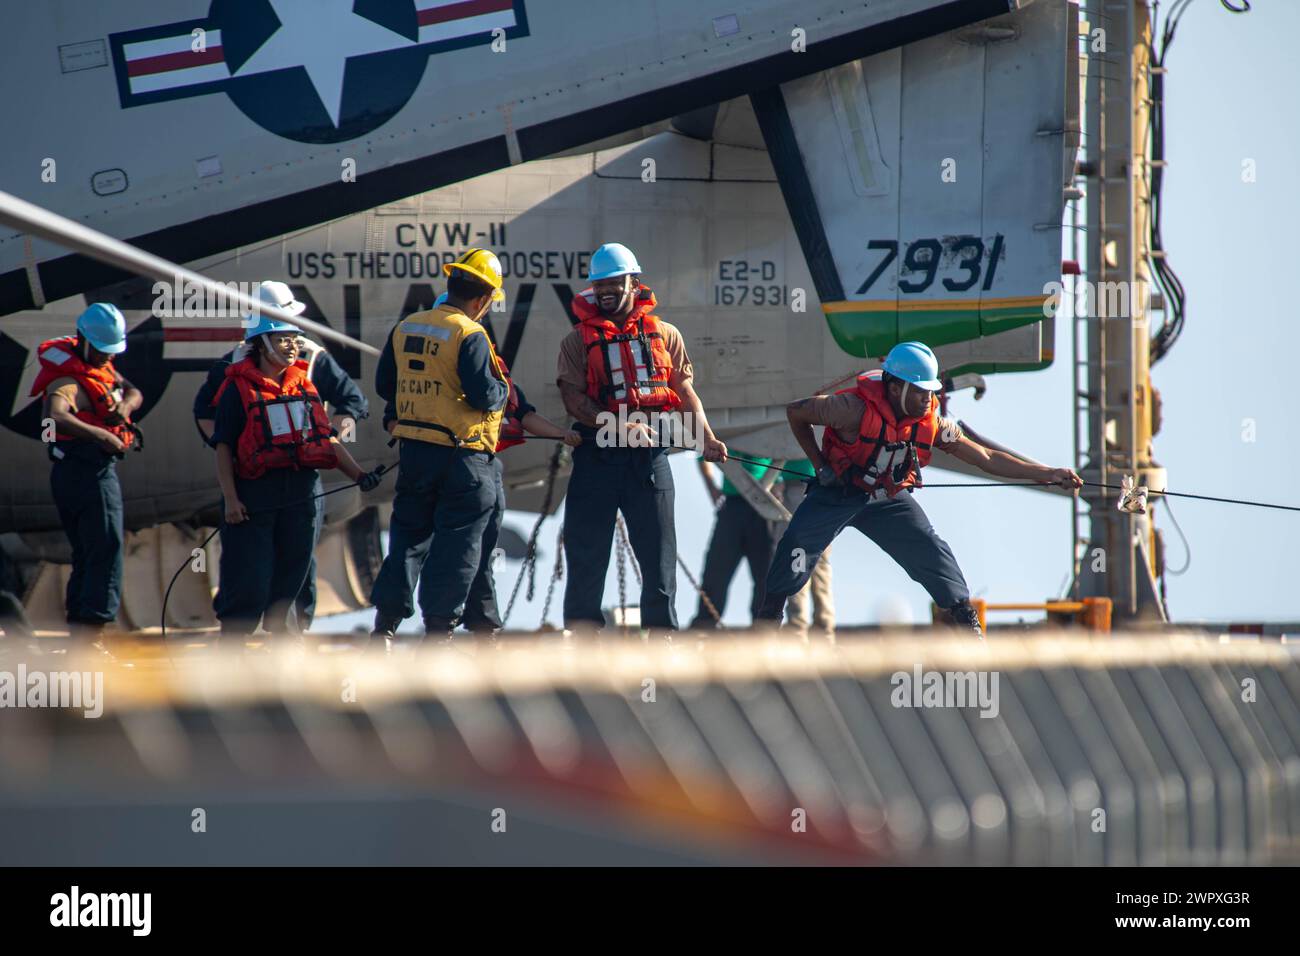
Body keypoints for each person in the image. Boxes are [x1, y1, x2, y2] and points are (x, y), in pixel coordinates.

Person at [756, 341, 1082, 637]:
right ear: (895, 387)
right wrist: (820, 465)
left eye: (930, 391)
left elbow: (985, 457)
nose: (928, 398)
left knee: (931, 549)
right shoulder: (850, 409)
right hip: (838, 492)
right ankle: (769, 619)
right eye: (920, 391)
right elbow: (796, 412)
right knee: (797, 545)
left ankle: (965, 621)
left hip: (885, 499)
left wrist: (1047, 473)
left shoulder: (934, 424)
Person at [556, 242, 727, 631]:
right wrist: (617, 426)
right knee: (587, 556)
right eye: (599, 284)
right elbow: (573, 400)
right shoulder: (576, 340)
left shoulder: (666, 335)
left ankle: (662, 639)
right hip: (596, 460)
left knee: (659, 557)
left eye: (614, 282)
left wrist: (707, 440)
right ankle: (583, 640)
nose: (604, 291)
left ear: (634, 282)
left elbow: (684, 392)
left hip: (648, 460)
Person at [195, 280, 369, 629]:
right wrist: (233, 483)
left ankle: (291, 640)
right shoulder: (233, 378)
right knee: (248, 574)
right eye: (284, 335)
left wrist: (341, 445)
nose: (293, 343)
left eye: (293, 334)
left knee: (297, 570)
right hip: (255, 491)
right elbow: (212, 424)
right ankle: (236, 643)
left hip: (303, 491)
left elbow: (352, 406)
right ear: (263, 340)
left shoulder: (310, 370)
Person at [413, 294, 581, 635]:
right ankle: (441, 625)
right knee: (454, 552)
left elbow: (522, 412)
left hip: (483, 470)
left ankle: (482, 627)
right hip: (453, 468)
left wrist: (563, 435)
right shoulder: (435, 377)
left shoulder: (488, 367)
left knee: (482, 551)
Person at [369, 249, 510, 642]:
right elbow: (484, 395)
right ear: (482, 299)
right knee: (458, 547)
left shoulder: (407, 326)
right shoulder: (470, 334)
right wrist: (502, 391)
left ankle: (384, 629)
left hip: (415, 453)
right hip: (463, 457)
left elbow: (385, 386)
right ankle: (438, 634)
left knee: (407, 541)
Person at [30, 303, 142, 637]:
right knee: (105, 550)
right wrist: (102, 435)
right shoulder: (68, 380)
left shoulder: (102, 367)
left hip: (79, 473)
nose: (108, 357)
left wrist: (122, 407)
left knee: (89, 553)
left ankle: (81, 635)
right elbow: (54, 416)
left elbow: (135, 392)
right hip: (87, 473)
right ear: (84, 341)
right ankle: (90, 638)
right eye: (103, 351)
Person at [689, 454, 784, 628]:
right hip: (732, 505)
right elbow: (702, 455)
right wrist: (711, 487)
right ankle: (705, 624)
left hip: (764, 506)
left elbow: (784, 454)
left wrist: (779, 485)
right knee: (716, 571)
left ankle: (764, 627)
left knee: (766, 574)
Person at [778, 460, 835, 635]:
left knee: (800, 560)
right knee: (814, 563)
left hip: (804, 485)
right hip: (818, 484)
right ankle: (822, 628)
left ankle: (799, 627)